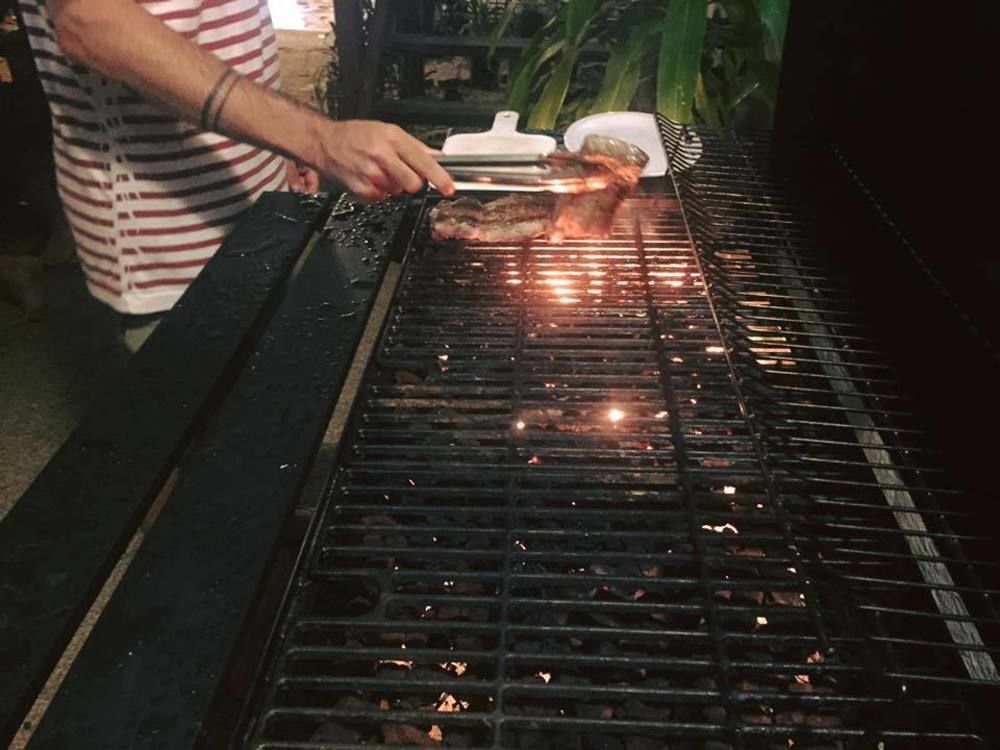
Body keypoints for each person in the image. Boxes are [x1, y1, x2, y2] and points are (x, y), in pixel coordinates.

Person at [16, 0, 455, 348]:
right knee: (228, 444)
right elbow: (89, 19)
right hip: (170, 240)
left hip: (263, 201)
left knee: (291, 393)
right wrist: (315, 138)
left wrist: (279, 136)